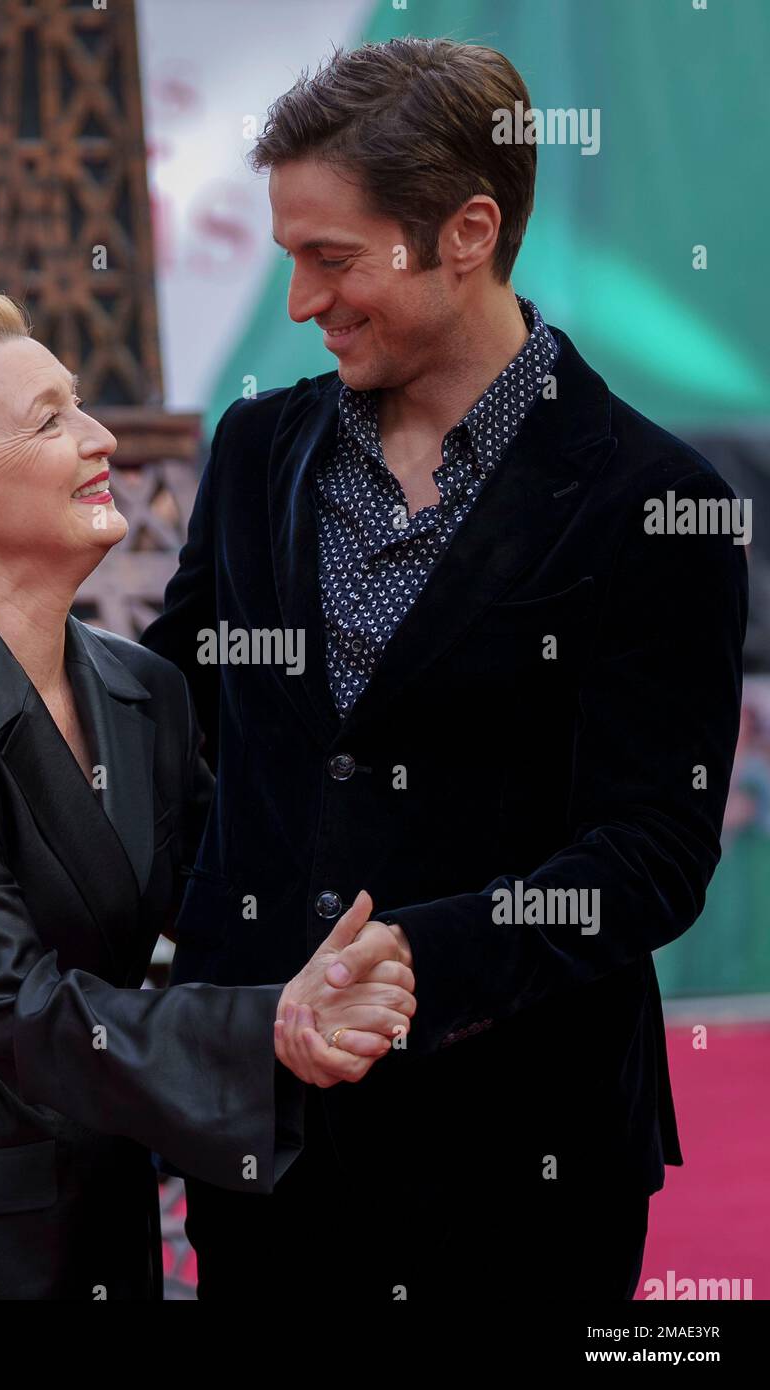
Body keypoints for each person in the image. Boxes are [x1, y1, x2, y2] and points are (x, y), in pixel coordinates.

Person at [137, 38, 749, 1300]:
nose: (300, 299)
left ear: (468, 230)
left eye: (334, 257)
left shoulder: (657, 504)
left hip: (522, 1157)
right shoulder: (255, 449)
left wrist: (421, 959)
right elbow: (160, 712)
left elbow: (651, 850)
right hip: (263, 1147)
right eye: (288, 255)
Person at [0, 289, 415, 1301]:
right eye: (50, 420)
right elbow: (25, 1011)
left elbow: (224, 891)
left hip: (85, 1191)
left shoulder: (137, 684)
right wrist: (274, 1026)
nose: (101, 438)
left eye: (80, 403)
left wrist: (356, 956)